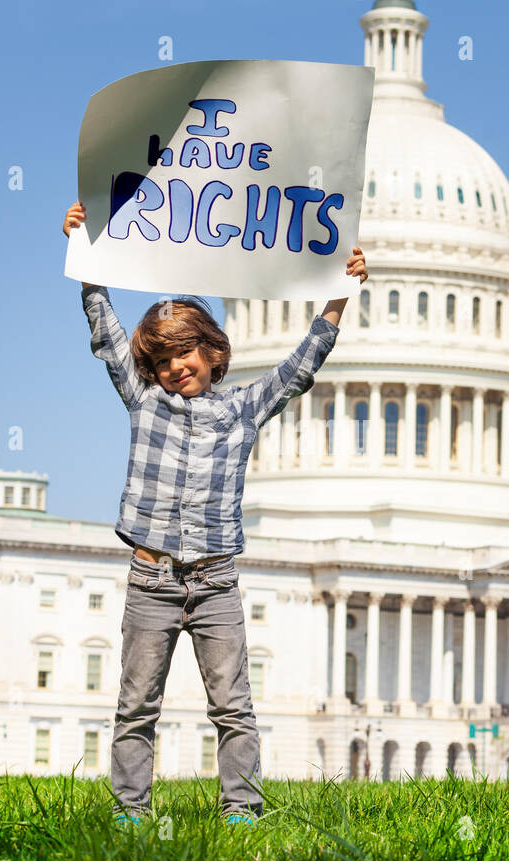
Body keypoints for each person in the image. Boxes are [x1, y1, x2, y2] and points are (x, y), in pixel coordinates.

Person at [62, 201, 368, 823]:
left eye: (187, 352)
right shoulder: (142, 398)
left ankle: (241, 811)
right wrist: (87, 259)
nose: (178, 367)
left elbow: (300, 368)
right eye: (165, 358)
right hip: (151, 578)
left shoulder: (244, 408)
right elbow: (106, 334)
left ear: (212, 350)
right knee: (135, 704)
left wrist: (337, 295)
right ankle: (130, 812)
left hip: (214, 580)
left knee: (232, 706)